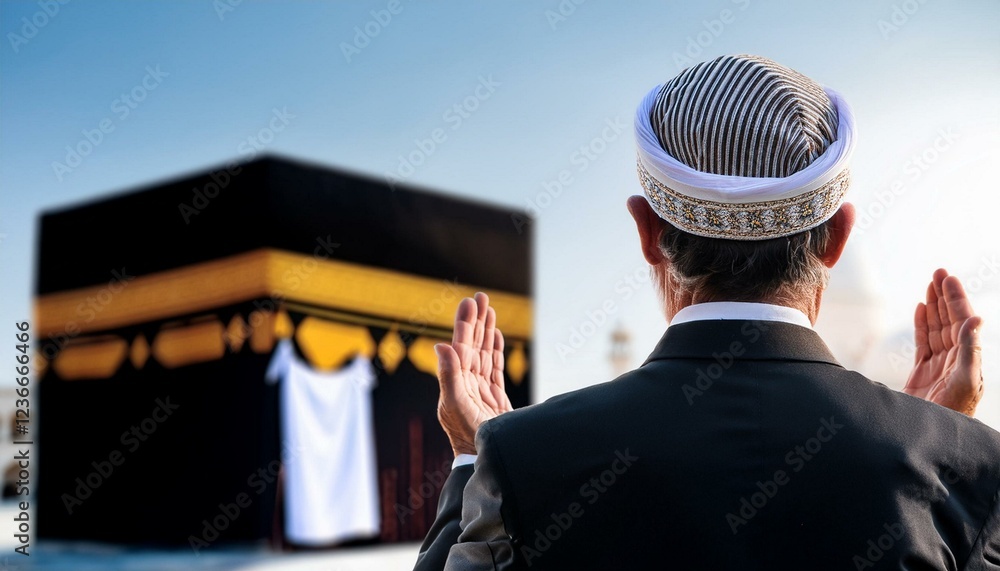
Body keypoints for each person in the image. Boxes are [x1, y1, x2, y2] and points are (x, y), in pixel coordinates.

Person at [413, 55, 1000, 570]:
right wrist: (941, 460)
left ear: (646, 232)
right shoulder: (968, 462)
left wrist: (474, 456)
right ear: (837, 238)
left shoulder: (526, 458)